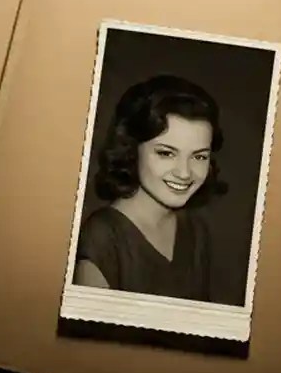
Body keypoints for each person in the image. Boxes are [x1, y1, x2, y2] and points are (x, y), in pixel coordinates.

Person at [73, 74, 227, 302]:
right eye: (166, 153)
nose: (184, 173)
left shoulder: (196, 231)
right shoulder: (103, 238)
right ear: (131, 149)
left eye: (199, 156)